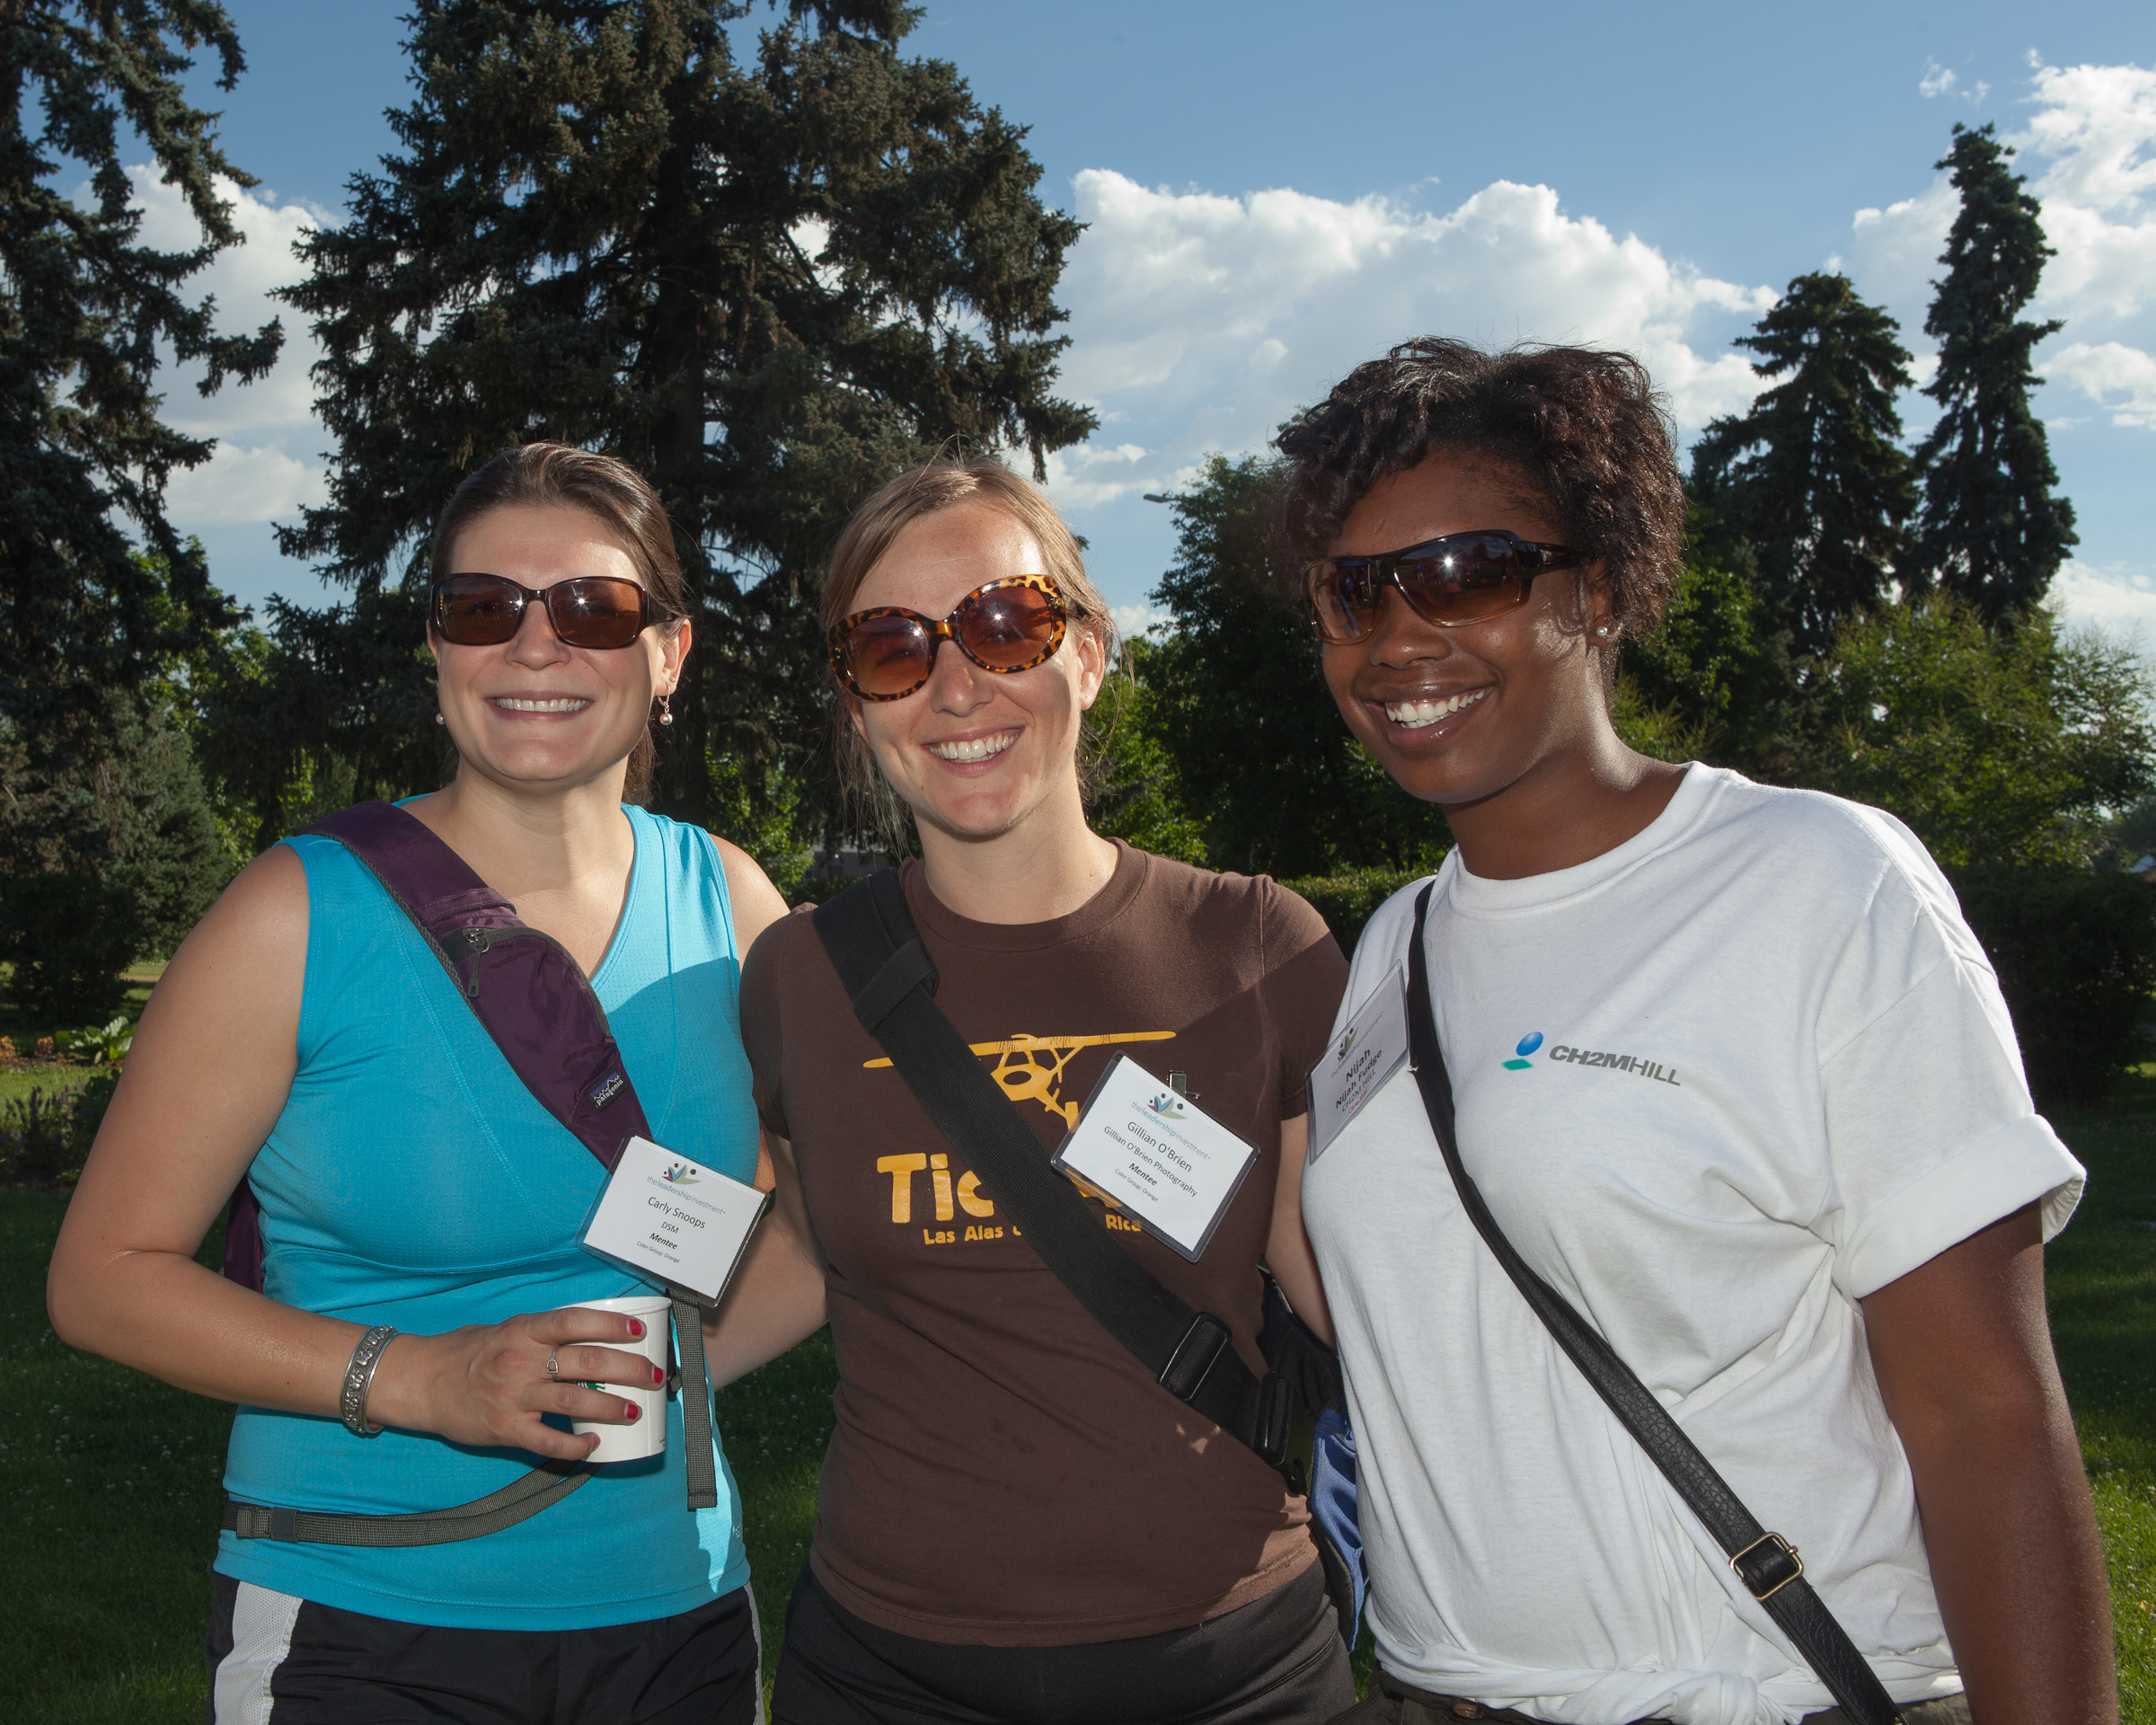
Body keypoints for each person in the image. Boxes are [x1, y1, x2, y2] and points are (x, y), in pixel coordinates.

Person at [1275, 339, 2116, 1725]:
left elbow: (1991, 1421)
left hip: (1767, 1692)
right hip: (1441, 1694)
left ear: (1599, 588)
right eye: (1353, 592)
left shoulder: (1814, 881)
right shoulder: (1389, 954)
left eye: (1466, 572)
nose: (1399, 637)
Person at [47, 443, 790, 1724]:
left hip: (682, 1618)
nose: (536, 647)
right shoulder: (296, 916)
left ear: (669, 657)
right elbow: (102, 1276)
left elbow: (810, 1226)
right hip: (367, 1623)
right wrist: (423, 1380)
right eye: (483, 607)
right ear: (437, 649)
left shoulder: (730, 901)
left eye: (595, 611)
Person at [728, 457, 1357, 1725]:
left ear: (1088, 654)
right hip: (888, 1671)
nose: (958, 684)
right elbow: (806, 1242)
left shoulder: (1258, 946)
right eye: (895, 647)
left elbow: (1334, 1273)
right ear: (857, 705)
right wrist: (610, 1369)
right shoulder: (799, 974)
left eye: (1007, 625)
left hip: (1232, 1663)